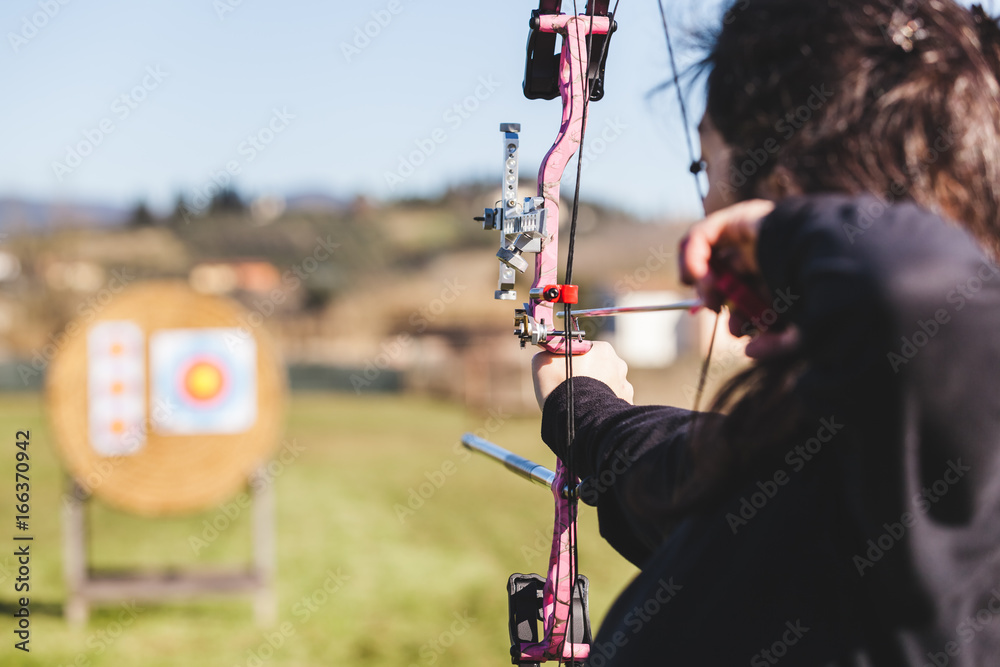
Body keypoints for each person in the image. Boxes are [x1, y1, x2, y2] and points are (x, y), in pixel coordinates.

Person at [531, 1, 1000, 664]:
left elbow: (920, 294)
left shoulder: (949, 449)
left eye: (706, 166)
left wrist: (777, 236)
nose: (706, 205)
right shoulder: (827, 455)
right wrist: (588, 410)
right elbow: (691, 483)